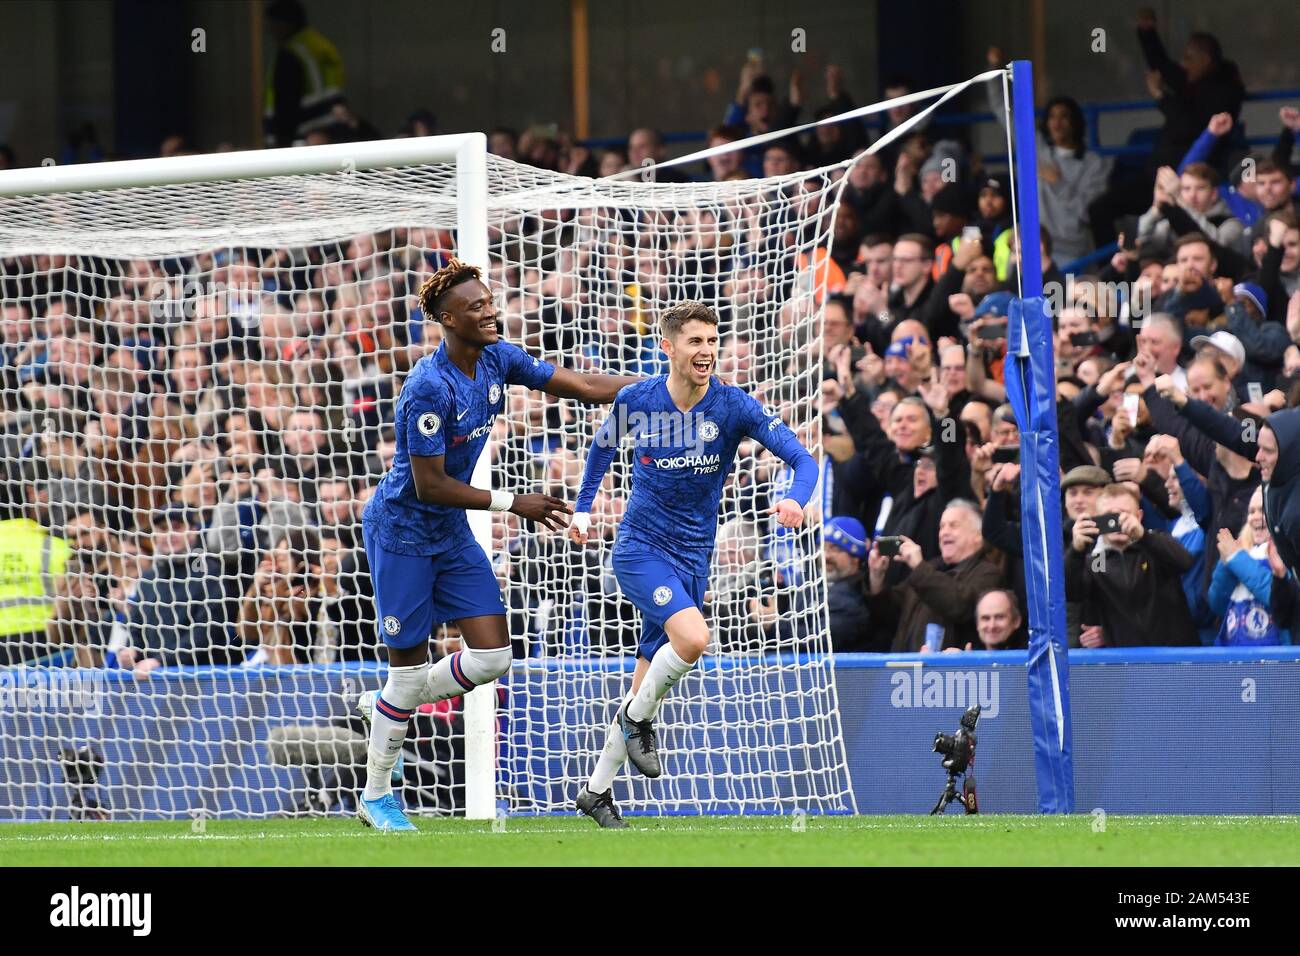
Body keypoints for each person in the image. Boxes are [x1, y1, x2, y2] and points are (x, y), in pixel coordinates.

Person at [353, 257, 637, 832]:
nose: (490, 311)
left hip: (449, 533)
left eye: (490, 301)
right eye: (477, 306)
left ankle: (389, 705)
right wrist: (515, 504)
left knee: (492, 657)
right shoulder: (427, 388)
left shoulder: (498, 358)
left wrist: (660, 386)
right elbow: (430, 485)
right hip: (403, 535)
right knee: (407, 674)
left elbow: (582, 386)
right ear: (446, 319)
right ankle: (377, 795)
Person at [568, 301, 817, 828]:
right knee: (694, 640)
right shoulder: (638, 399)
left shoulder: (733, 407)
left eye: (712, 341)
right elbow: (600, 451)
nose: (706, 352)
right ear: (669, 348)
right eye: (695, 342)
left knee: (646, 680)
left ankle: (596, 791)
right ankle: (637, 724)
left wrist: (796, 497)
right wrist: (585, 508)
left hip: (693, 557)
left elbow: (803, 458)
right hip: (640, 548)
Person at [1065, 483, 1197, 647]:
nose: (1117, 522)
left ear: (1139, 516)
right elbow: (1072, 593)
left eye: (1124, 515)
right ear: (1097, 519)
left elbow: (1184, 562)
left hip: (1171, 655)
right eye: (1109, 516)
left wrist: (1143, 536)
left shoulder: (1154, 545)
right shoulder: (1098, 560)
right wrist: (1075, 551)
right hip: (1124, 661)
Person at [1208, 488, 1289, 646]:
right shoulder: (1242, 553)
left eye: (1262, 510)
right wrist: (1226, 562)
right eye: (1251, 512)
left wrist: (1236, 558)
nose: (1256, 517)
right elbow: (1217, 603)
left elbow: (1275, 596)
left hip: (1275, 660)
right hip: (1234, 657)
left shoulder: (1288, 551)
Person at [263, 0, 346, 148]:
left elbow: (286, 102)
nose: (270, 31)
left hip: (303, 138)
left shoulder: (291, 53)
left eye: (272, 25)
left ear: (285, 23)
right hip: (331, 130)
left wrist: (280, 141)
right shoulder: (320, 45)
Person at [822, 516, 873, 652]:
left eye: (835, 548)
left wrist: (773, 626)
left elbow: (821, 638)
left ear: (855, 557)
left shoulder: (855, 596)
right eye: (822, 547)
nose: (826, 556)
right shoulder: (816, 588)